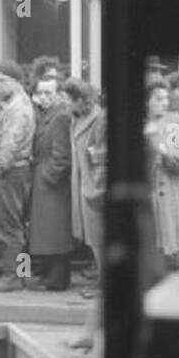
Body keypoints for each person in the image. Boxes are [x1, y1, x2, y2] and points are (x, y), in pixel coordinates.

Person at [0, 61, 35, 293]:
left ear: (15, 82)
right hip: (16, 171)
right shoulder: (15, 104)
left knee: (8, 226)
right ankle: (21, 273)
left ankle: (13, 276)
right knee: (15, 226)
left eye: (1, 80)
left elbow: (9, 145)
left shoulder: (16, 109)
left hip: (10, 171)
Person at [29, 73, 74, 291]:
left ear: (58, 94)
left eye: (49, 93)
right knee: (46, 233)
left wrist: (49, 175)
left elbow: (62, 154)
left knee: (55, 233)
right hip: (45, 177)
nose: (44, 97)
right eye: (40, 93)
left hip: (51, 182)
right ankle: (48, 276)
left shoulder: (60, 116)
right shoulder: (48, 114)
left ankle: (57, 279)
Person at [145, 80, 179, 268]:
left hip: (170, 193)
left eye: (166, 98)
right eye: (158, 99)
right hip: (146, 194)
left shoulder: (175, 123)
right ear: (147, 101)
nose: (164, 103)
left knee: (172, 253)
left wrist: (165, 151)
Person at [68, 80, 107, 298]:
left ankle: (104, 282)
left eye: (71, 100)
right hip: (84, 185)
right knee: (93, 237)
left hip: (94, 189)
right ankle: (101, 275)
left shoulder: (99, 119)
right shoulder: (78, 119)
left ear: (83, 100)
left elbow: (101, 157)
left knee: (98, 237)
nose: (68, 105)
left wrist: (95, 189)